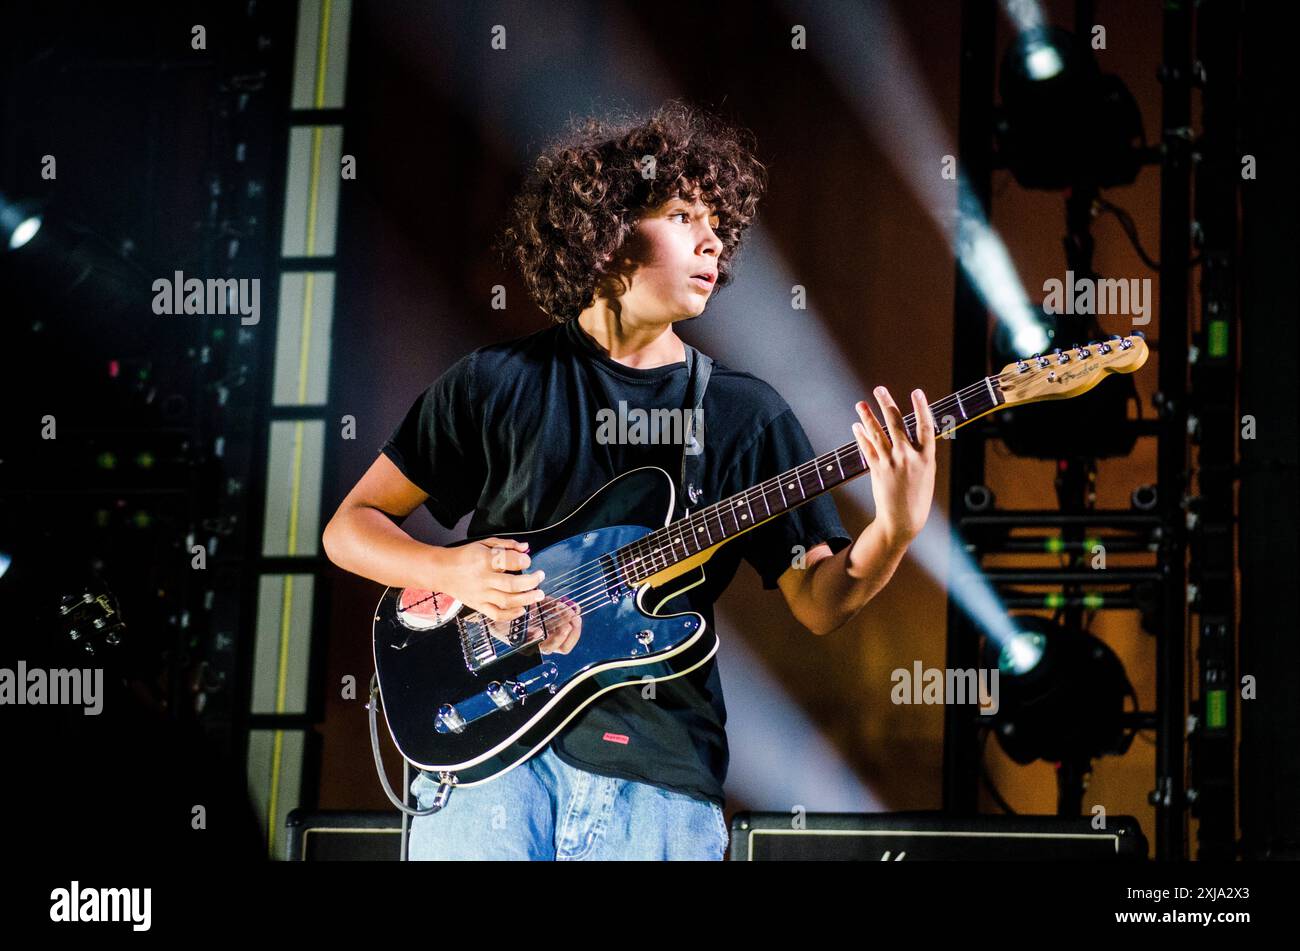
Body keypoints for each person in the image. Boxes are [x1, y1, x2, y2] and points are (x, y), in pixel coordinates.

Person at [322, 100, 937, 861]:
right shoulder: (494, 383)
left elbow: (819, 601)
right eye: (684, 215)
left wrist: (895, 532)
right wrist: (448, 567)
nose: (714, 239)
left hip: (658, 778)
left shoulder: (744, 414)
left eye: (720, 224)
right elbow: (350, 527)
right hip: (491, 758)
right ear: (605, 231)